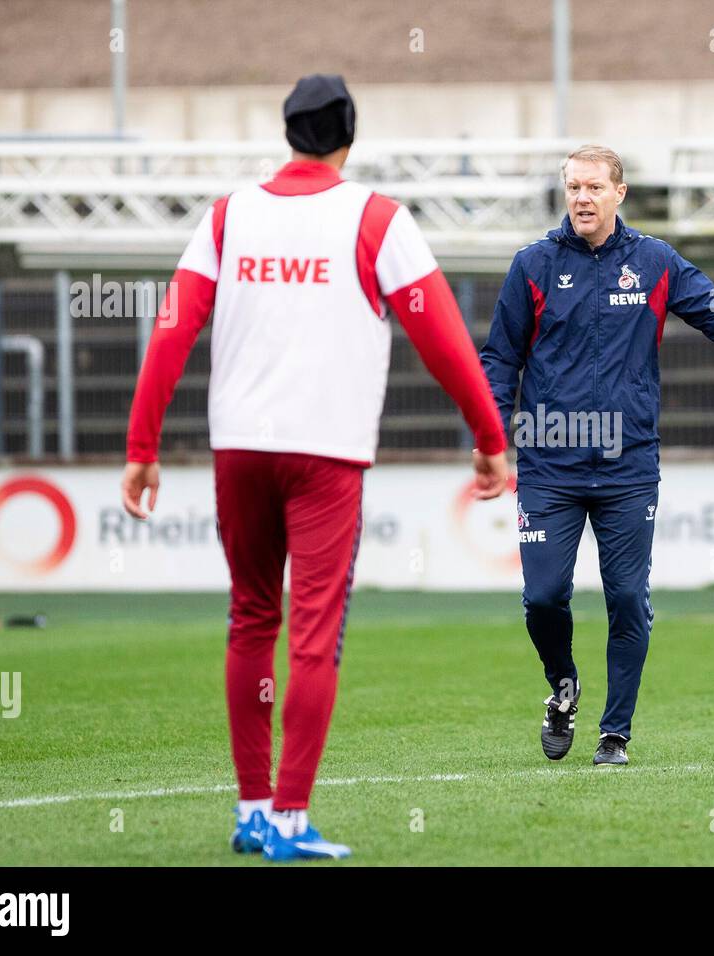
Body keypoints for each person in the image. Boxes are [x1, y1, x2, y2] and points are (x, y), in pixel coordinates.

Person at [121, 74, 507, 860]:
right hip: (326, 453)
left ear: (288, 132)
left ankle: (251, 811)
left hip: (239, 450)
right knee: (313, 638)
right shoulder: (375, 218)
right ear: (349, 138)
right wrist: (489, 433)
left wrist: (141, 447)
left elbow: (170, 329)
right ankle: (292, 821)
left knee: (250, 619)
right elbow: (444, 339)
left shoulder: (228, 217)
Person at [480, 145, 714, 766]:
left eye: (594, 187)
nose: (582, 197)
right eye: (573, 186)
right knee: (543, 599)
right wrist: (492, 435)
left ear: (619, 194)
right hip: (549, 462)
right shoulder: (532, 266)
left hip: (627, 465)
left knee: (626, 597)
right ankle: (562, 687)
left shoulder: (654, 262)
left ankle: (615, 732)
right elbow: (499, 359)